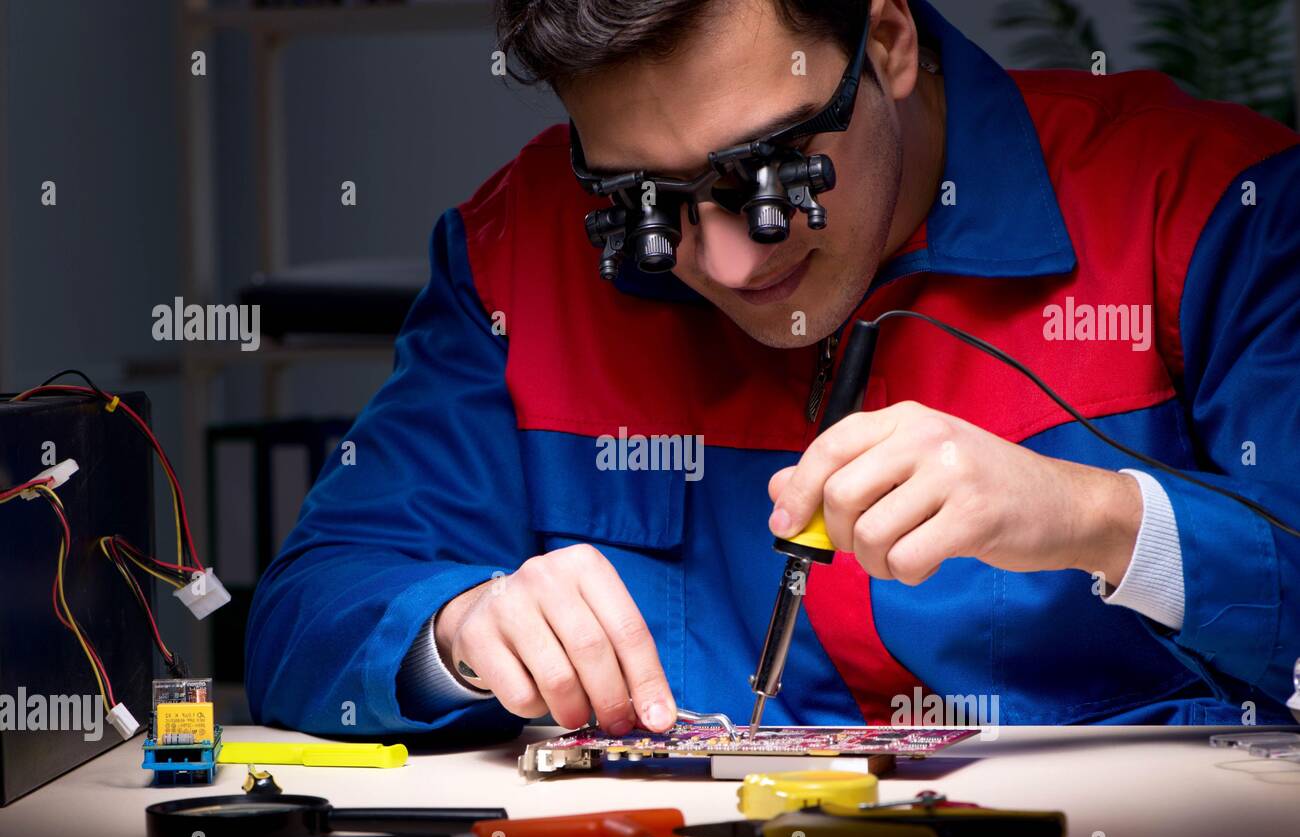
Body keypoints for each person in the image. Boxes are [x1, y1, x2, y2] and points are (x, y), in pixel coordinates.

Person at [246, 0, 1300, 740]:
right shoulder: (514, 254)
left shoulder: (1207, 204)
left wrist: (1106, 520)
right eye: (647, 204)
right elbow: (309, 611)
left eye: (770, 175)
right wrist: (458, 630)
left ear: (885, 40)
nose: (732, 262)